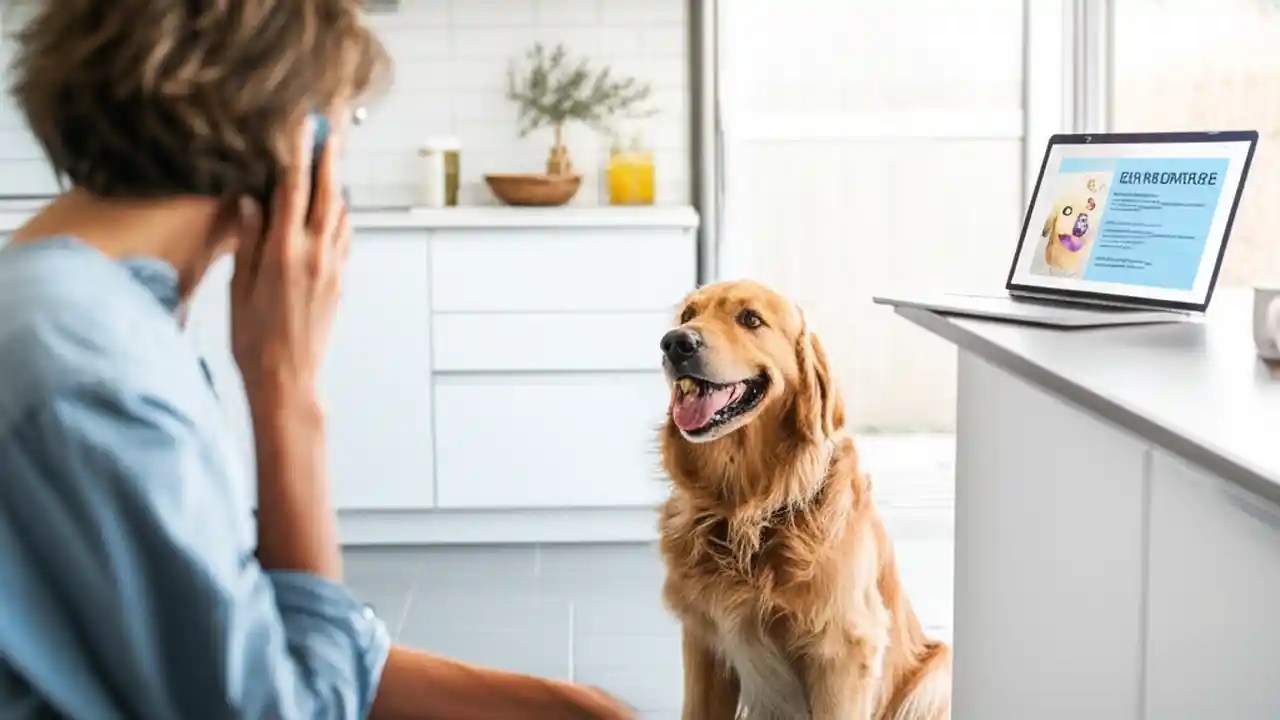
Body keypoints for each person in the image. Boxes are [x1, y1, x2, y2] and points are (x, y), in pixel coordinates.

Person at [0, 2, 632, 718]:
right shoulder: (94, 371)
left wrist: (561, 704)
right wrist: (286, 392)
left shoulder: (75, 307)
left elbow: (243, 624)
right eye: (343, 121)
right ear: (295, 139)